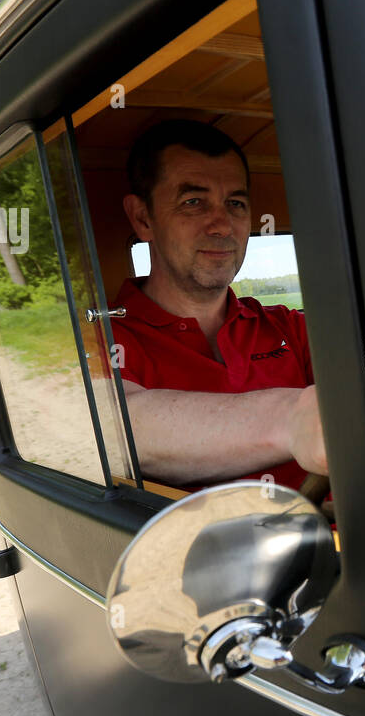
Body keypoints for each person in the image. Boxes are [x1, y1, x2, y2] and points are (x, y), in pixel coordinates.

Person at [110, 119, 326, 490]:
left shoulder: (289, 327)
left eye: (235, 204)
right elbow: (122, 427)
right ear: (143, 218)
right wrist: (293, 419)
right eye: (193, 202)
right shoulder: (102, 337)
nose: (222, 226)